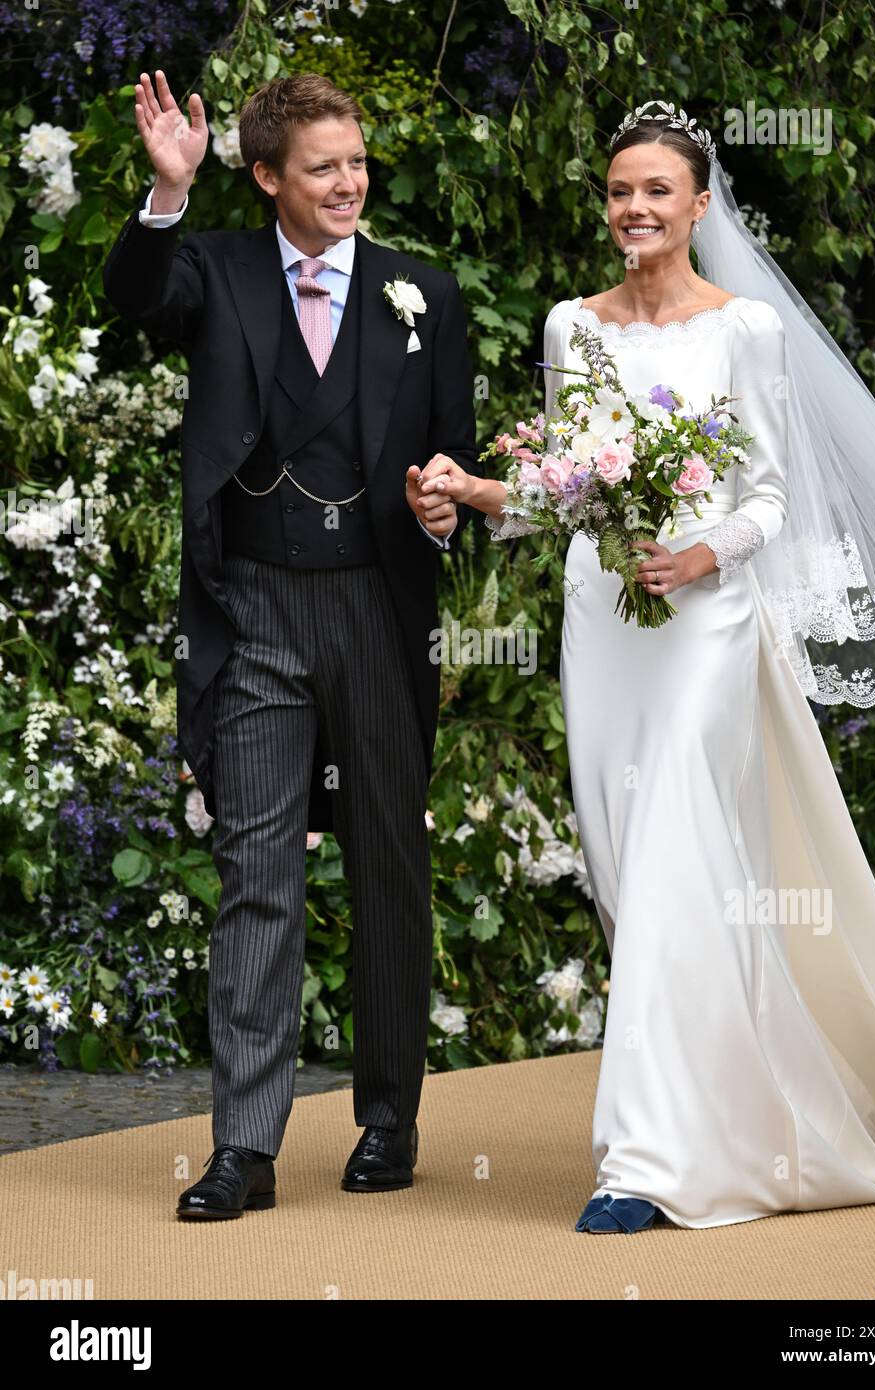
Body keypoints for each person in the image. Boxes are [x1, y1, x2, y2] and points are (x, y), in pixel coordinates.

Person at [413, 101, 875, 1233]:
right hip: (603, 617)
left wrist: (701, 553)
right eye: (620, 190)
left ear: (700, 206)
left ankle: (647, 1164)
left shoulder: (745, 329)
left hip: (706, 621)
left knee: (678, 859)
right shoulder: (575, 326)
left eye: (658, 191)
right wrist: (477, 493)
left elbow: (767, 494)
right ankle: (726, 1115)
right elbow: (568, 482)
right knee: (629, 874)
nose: (635, 209)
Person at [103, 70, 479, 1218]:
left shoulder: (425, 291)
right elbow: (131, 303)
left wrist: (443, 505)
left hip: (376, 605)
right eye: (323, 166)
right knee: (255, 873)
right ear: (265, 176)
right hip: (254, 610)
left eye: (357, 162)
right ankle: (247, 1148)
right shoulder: (212, 269)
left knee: (386, 865)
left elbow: (454, 467)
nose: (350, 182)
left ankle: (389, 1119)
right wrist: (166, 192)